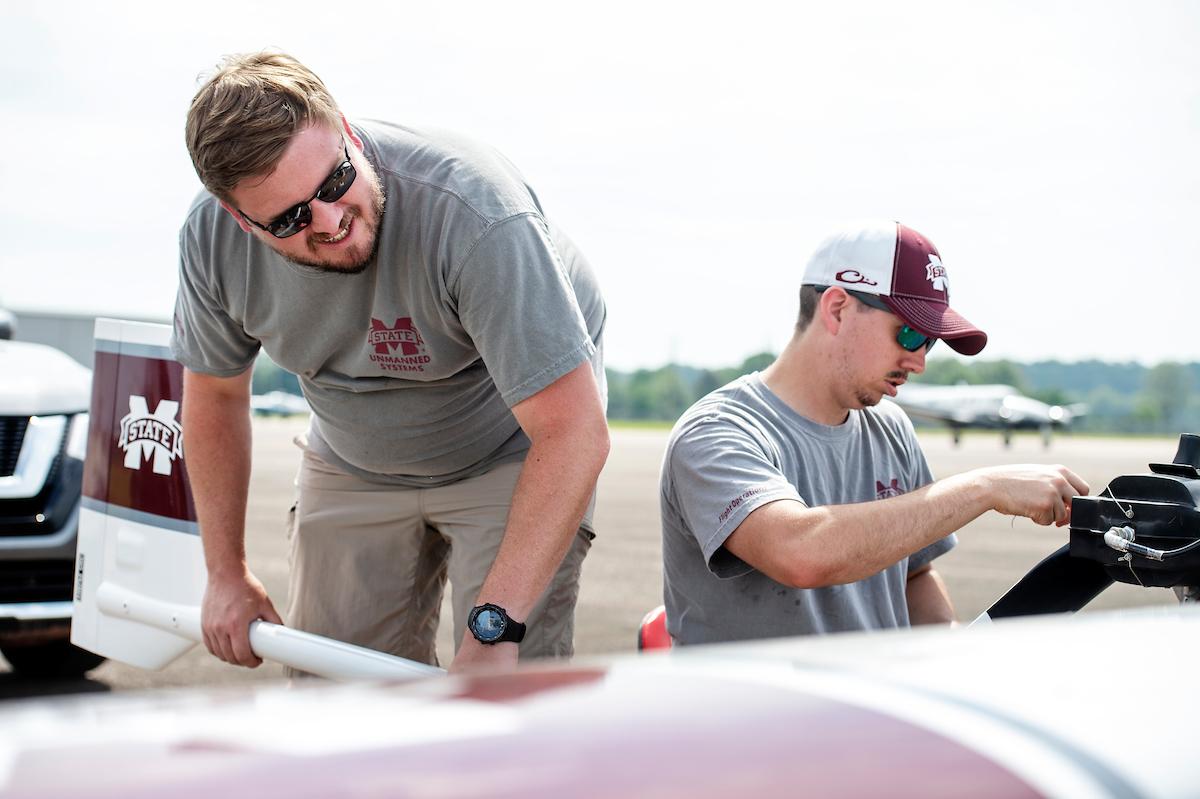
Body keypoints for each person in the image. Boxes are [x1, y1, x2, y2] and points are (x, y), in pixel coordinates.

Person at [171, 51, 609, 674]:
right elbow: (214, 397)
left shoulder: (475, 211)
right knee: (336, 698)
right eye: (291, 219)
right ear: (240, 221)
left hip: (512, 445)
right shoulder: (209, 243)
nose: (330, 221)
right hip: (352, 454)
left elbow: (573, 431)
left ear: (347, 133)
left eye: (332, 183)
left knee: (505, 700)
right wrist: (225, 574)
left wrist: (494, 633)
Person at [659, 220, 1088, 645]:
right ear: (837, 308)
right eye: (910, 333)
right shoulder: (718, 431)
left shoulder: (892, 428)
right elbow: (799, 552)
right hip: (757, 711)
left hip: (871, 709)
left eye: (930, 342)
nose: (919, 362)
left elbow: (914, 572)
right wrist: (982, 488)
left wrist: (952, 653)